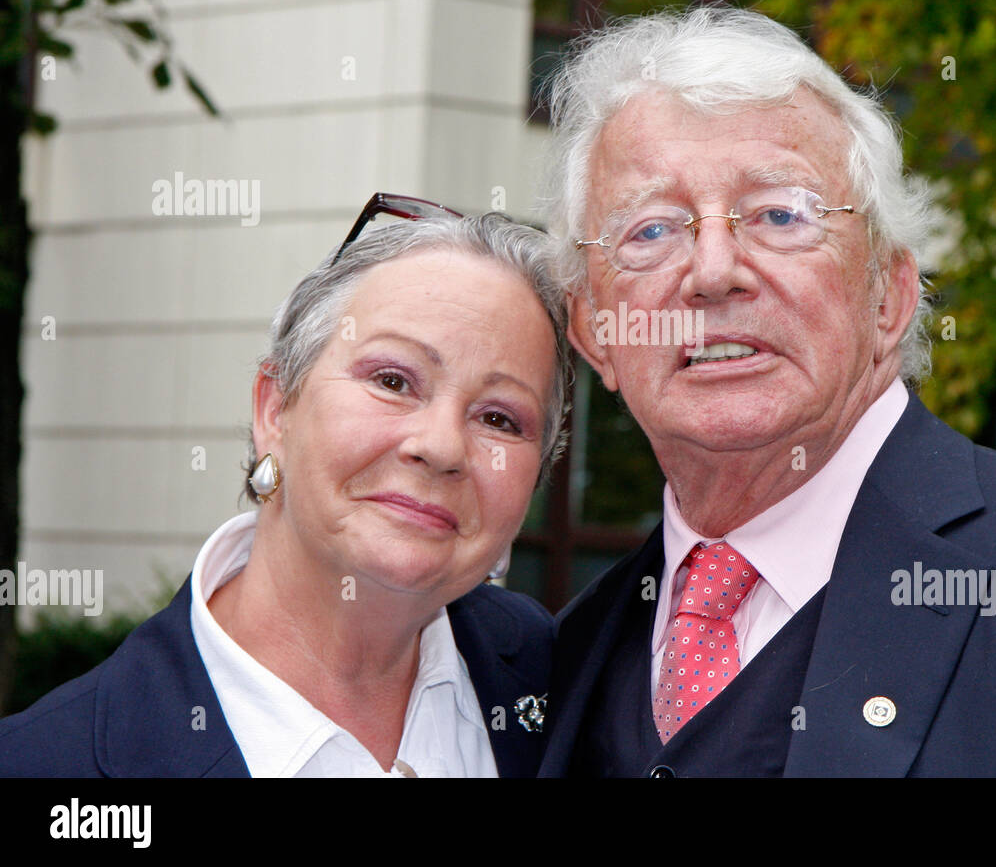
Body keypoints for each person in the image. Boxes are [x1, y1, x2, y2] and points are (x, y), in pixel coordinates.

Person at [535, 6, 996, 777]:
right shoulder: (557, 661)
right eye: (650, 231)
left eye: (778, 214)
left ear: (890, 296)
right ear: (595, 331)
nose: (712, 269)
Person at [0, 197, 569, 777]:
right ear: (275, 409)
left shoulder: (568, 686)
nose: (443, 446)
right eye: (394, 380)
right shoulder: (43, 763)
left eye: (500, 418)